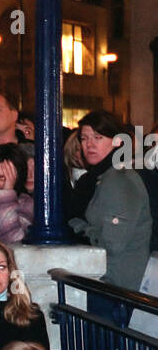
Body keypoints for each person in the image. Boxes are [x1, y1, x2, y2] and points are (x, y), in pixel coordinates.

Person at [69, 109, 152, 314]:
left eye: (98, 137)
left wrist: (78, 226)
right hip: (112, 286)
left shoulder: (119, 179)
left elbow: (113, 243)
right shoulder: (104, 177)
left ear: (117, 142)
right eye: (84, 138)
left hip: (118, 289)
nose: (89, 144)